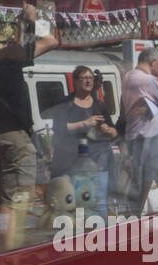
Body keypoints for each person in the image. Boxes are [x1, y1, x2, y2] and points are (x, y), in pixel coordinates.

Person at [0, 1, 57, 210]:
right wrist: (34, 19)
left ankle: (5, 239)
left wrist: (19, 26)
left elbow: (12, 47)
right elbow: (50, 41)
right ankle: (15, 241)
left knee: (4, 201)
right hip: (15, 138)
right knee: (18, 206)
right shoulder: (11, 55)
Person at [49, 66, 118, 216]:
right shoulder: (66, 104)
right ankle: (82, 237)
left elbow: (114, 132)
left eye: (90, 78)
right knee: (78, 205)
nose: (88, 81)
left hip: (99, 161)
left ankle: (103, 237)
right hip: (73, 163)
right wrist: (85, 123)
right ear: (75, 81)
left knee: (99, 204)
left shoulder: (99, 104)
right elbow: (59, 127)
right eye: (84, 78)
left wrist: (107, 130)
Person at [120, 47, 158, 213]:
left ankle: (134, 215)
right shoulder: (145, 80)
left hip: (142, 136)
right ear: (153, 62)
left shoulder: (129, 76)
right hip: (147, 138)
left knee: (145, 180)